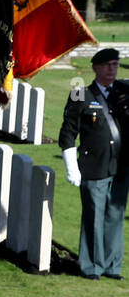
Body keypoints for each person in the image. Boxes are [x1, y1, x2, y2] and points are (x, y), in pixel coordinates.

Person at [60, 47, 128, 280]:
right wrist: (72, 167)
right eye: (107, 64)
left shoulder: (123, 90)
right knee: (94, 217)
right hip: (93, 166)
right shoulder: (80, 94)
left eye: (115, 64)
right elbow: (68, 132)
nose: (112, 69)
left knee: (115, 217)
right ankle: (91, 266)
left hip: (120, 166)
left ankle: (111, 266)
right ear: (95, 67)